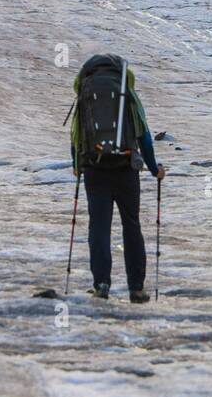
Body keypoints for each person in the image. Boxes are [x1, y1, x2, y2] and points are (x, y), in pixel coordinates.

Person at [70, 54, 165, 303]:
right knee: (131, 225)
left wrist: (77, 166)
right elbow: (143, 134)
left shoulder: (85, 93)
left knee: (99, 227)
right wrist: (154, 169)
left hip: (95, 168)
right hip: (125, 168)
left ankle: (101, 283)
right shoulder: (127, 94)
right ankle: (136, 288)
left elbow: (76, 135)